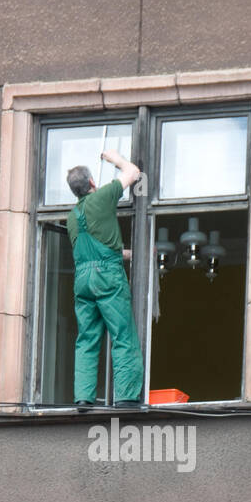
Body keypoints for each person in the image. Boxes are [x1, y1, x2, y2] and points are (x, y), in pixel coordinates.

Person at [66, 149, 145, 411]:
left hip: (83, 279)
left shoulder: (71, 218)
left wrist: (135, 254)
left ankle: (83, 398)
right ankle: (126, 396)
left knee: (87, 338)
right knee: (122, 333)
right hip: (108, 277)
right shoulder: (103, 196)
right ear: (91, 183)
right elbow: (133, 173)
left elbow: (97, 250)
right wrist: (115, 160)